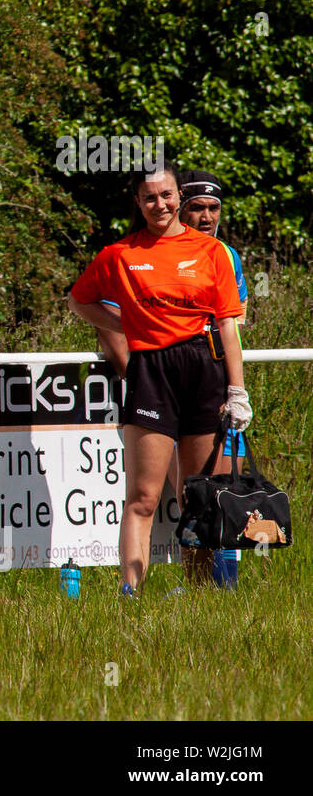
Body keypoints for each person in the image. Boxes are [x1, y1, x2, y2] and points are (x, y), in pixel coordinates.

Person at [67, 163, 250, 593]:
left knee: (200, 497)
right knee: (143, 498)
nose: (159, 204)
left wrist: (237, 391)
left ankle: (201, 594)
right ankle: (131, 595)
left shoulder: (212, 251)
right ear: (138, 202)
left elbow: (228, 327)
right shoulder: (120, 254)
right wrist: (130, 325)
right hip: (151, 371)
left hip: (204, 369)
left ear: (178, 197)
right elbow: (79, 302)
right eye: (149, 197)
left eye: (167, 195)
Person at [178, 168, 250, 588]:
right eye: (197, 208)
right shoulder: (160, 251)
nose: (206, 216)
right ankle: (195, 583)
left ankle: (225, 583)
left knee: (223, 486)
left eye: (213, 208)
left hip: (217, 379)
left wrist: (234, 387)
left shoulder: (226, 254)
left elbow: (237, 321)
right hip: (169, 380)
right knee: (187, 491)